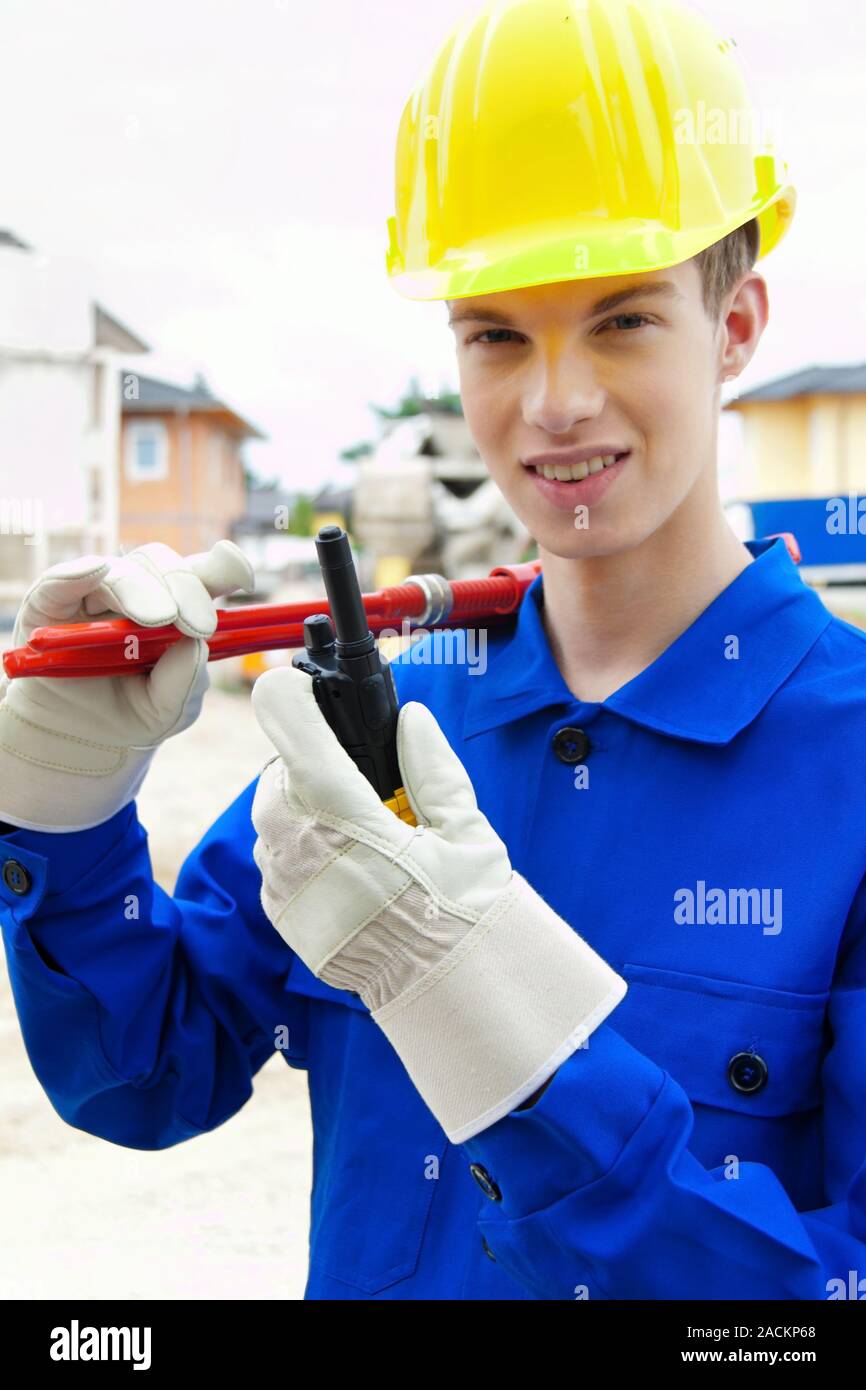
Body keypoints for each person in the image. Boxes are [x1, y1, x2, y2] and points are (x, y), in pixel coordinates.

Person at [1, 0, 865, 1301]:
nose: (553, 398)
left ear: (735, 325)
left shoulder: (845, 763)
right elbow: (147, 1074)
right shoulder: (392, 709)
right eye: (496, 333)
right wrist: (64, 817)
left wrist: (504, 1031)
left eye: (622, 318)